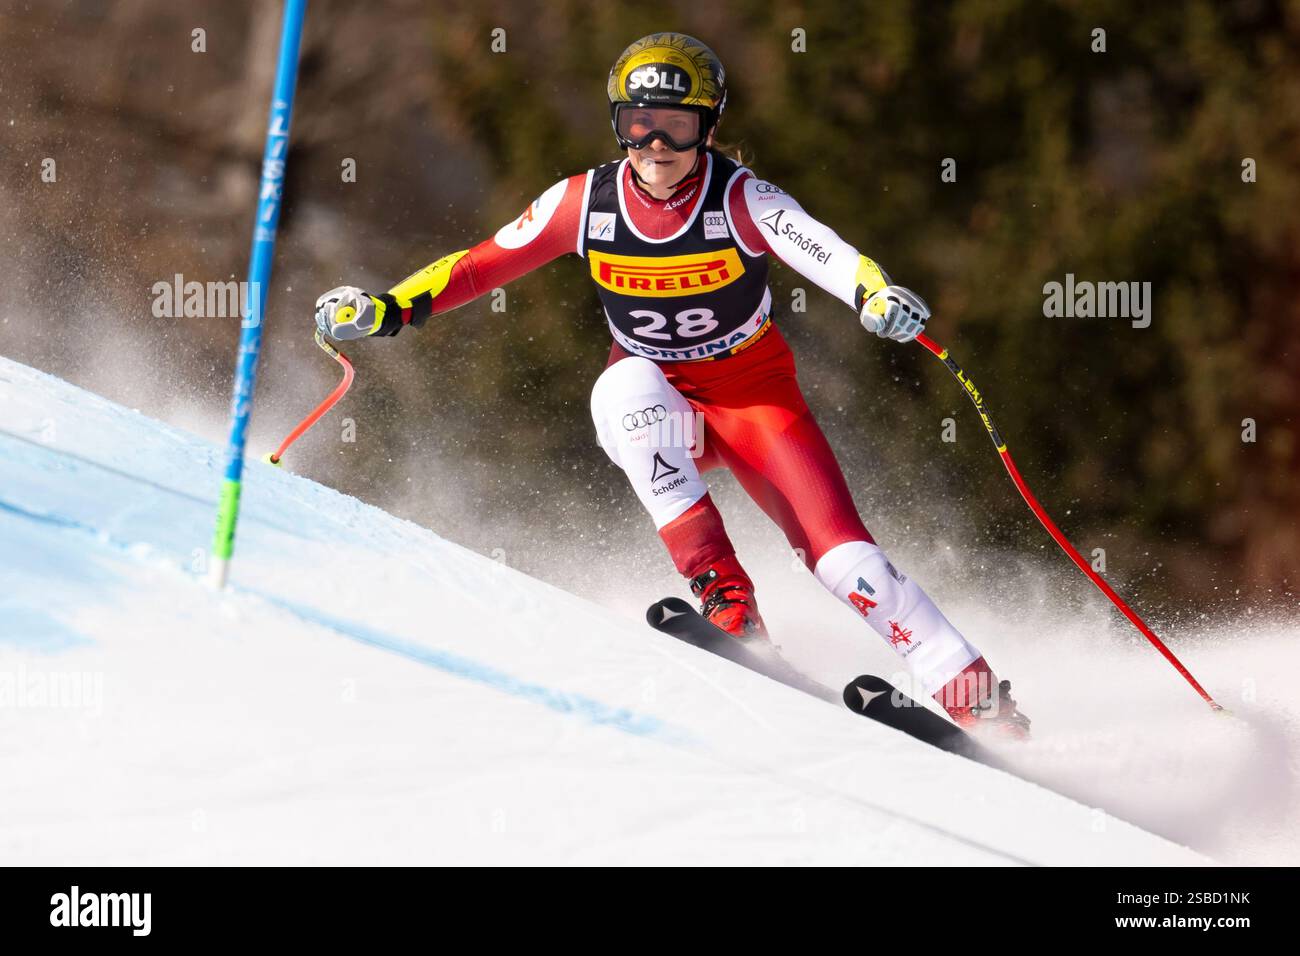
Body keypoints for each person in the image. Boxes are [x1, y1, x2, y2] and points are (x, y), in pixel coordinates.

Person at [314, 33, 1029, 736]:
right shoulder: (584, 203)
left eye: (677, 127)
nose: (656, 146)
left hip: (753, 398)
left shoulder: (742, 199)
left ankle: (980, 704)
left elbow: (825, 251)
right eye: (638, 124)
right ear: (618, 124)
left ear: (709, 127)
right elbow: (480, 264)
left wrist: (873, 295)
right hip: (661, 398)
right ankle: (729, 607)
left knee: (846, 561)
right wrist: (388, 307)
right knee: (623, 397)